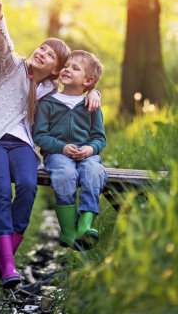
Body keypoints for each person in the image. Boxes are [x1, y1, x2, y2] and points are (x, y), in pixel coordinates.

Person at [0, 0, 101, 288]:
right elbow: (3, 44)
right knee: (2, 189)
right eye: (42, 48)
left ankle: (1, 261)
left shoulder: (51, 92)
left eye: (51, 55)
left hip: (24, 146)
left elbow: (76, 92)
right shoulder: (12, 67)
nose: (42, 53)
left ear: (56, 69)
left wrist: (95, 92)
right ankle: (9, 266)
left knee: (27, 186)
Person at [32, 50, 107, 251]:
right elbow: (39, 135)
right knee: (66, 173)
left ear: (88, 81)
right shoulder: (48, 102)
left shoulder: (91, 104)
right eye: (66, 65)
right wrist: (61, 147)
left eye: (75, 68)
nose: (67, 69)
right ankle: (67, 230)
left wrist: (91, 149)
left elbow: (100, 138)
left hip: (87, 156)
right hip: (57, 154)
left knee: (93, 171)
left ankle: (85, 225)